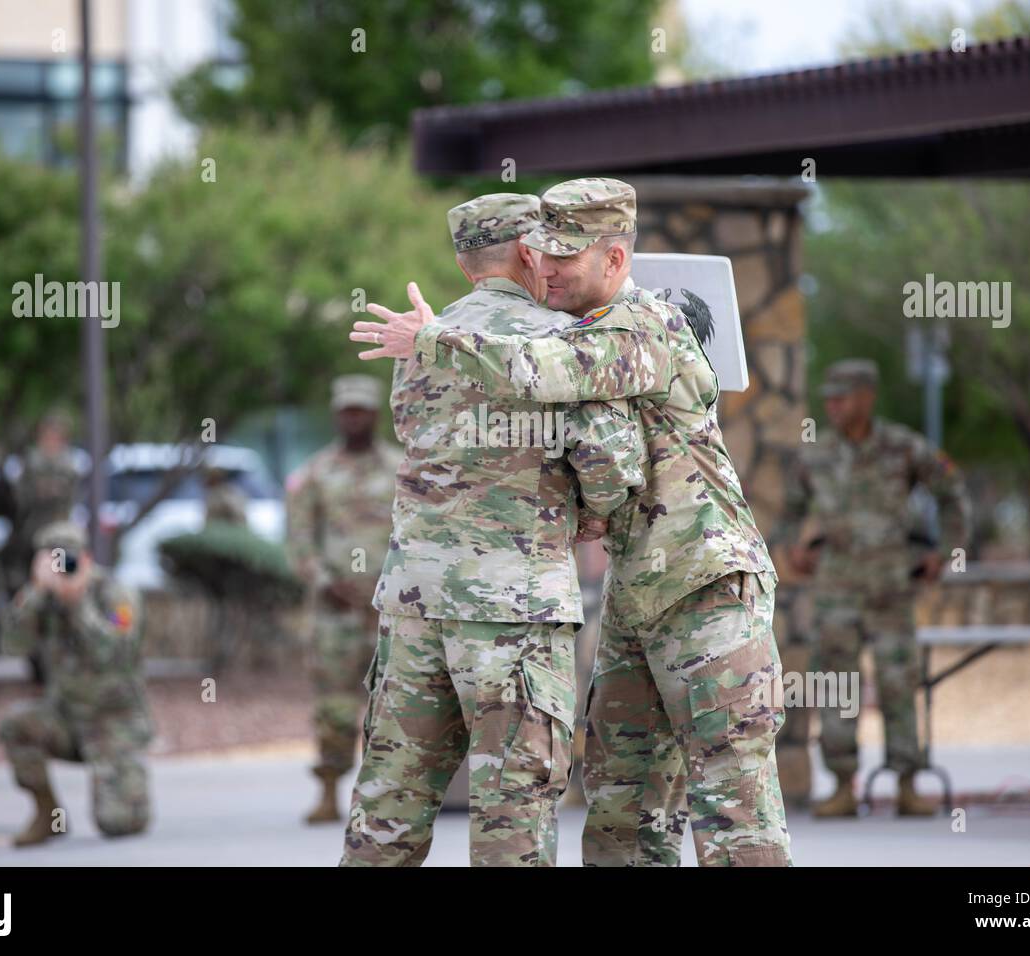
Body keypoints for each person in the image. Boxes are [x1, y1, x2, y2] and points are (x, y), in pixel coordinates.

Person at [352, 178, 790, 867]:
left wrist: (436, 338)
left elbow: (542, 370)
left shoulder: (646, 324)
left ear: (615, 260)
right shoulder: (575, 325)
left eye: (566, 257)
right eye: (542, 253)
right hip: (636, 595)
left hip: (705, 586)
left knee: (732, 804)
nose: (547, 270)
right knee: (621, 806)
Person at [339, 193, 647, 867]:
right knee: (513, 813)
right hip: (517, 612)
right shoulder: (560, 339)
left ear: (461, 260)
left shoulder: (420, 340)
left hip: (414, 606)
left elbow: (419, 441)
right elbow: (612, 464)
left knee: (389, 803)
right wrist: (591, 513)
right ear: (534, 253)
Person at [777, 358, 971, 817]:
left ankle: (907, 783)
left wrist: (945, 551)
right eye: (829, 397)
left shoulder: (903, 448)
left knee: (899, 685)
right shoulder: (816, 454)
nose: (833, 405)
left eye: (842, 396)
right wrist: (792, 549)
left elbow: (952, 490)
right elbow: (788, 511)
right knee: (837, 687)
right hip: (836, 593)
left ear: (867, 397)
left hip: (891, 590)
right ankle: (843, 785)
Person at [285, 374, 402, 823]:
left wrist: (394, 586)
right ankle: (330, 791)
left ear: (375, 414)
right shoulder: (314, 474)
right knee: (332, 705)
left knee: (390, 705)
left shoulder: (400, 467)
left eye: (362, 410)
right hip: (333, 611)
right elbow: (298, 540)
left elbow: (416, 533)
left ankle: (381, 801)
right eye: (347, 410)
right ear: (337, 415)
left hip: (387, 610)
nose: (354, 417)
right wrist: (323, 582)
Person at [0, 521, 153, 846]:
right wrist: (34, 593)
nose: (61, 568)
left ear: (86, 559)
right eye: (52, 560)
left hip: (114, 725)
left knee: (120, 823)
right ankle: (48, 815)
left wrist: (77, 603)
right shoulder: (43, 599)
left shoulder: (115, 594)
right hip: (67, 719)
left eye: (67, 560)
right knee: (16, 724)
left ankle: (120, 784)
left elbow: (114, 653)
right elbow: (10, 645)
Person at [2, 411, 81, 595]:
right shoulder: (31, 463)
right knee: (25, 582)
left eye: (56, 436)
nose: (51, 441)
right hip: (31, 534)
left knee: (63, 579)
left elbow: (70, 496)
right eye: (48, 435)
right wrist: (40, 491)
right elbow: (20, 498)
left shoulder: (68, 465)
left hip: (58, 537)